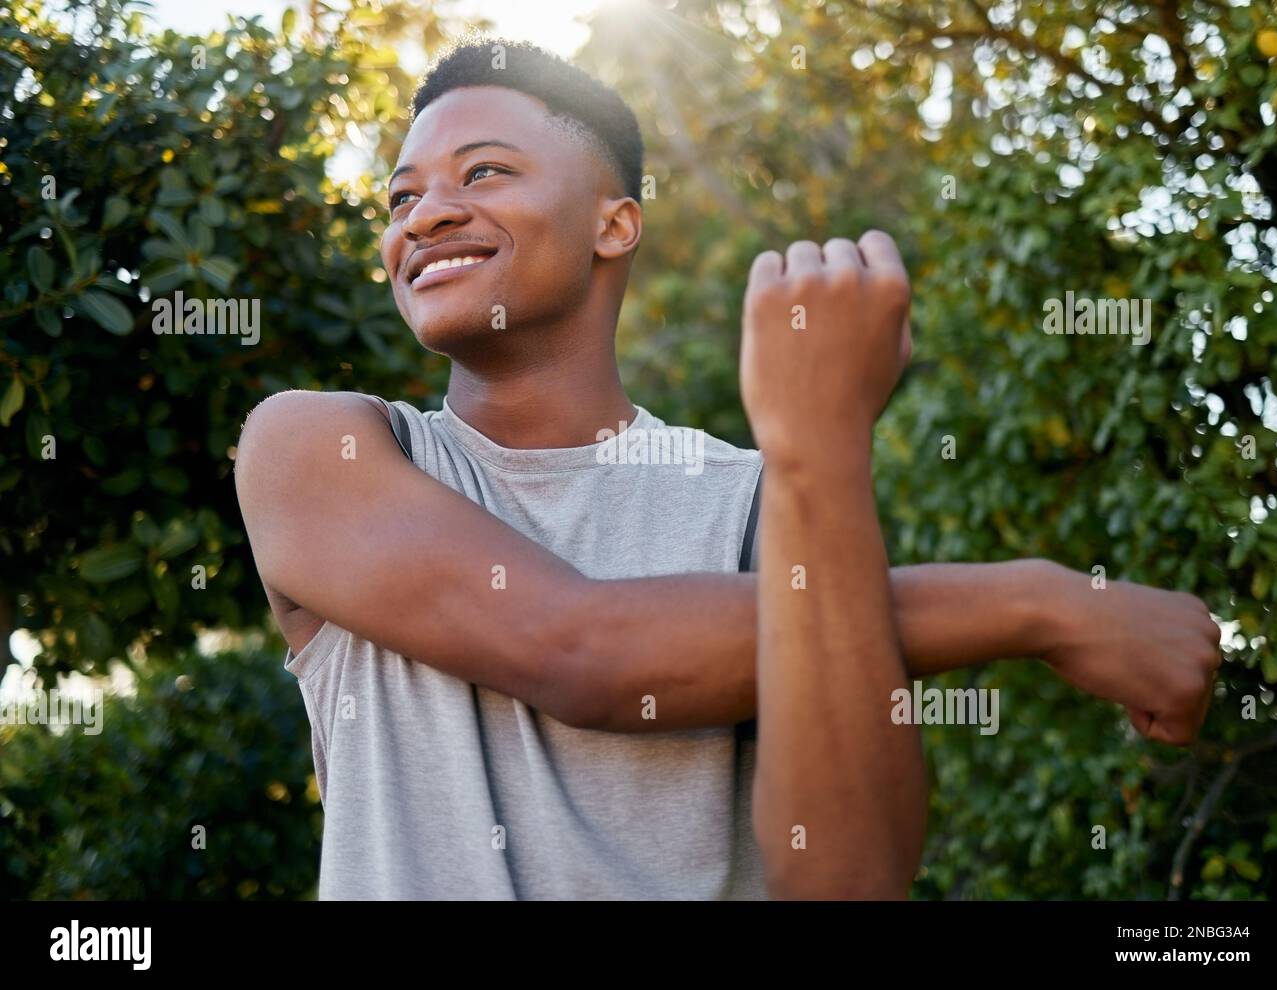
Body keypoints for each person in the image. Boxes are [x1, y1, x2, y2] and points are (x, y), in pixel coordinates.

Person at [233, 37, 1222, 900]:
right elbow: (583, 654)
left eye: (484, 173)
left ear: (613, 224)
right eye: (401, 196)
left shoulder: (770, 497)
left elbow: (846, 880)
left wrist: (821, 449)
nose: (424, 216)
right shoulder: (316, 447)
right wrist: (1036, 605)